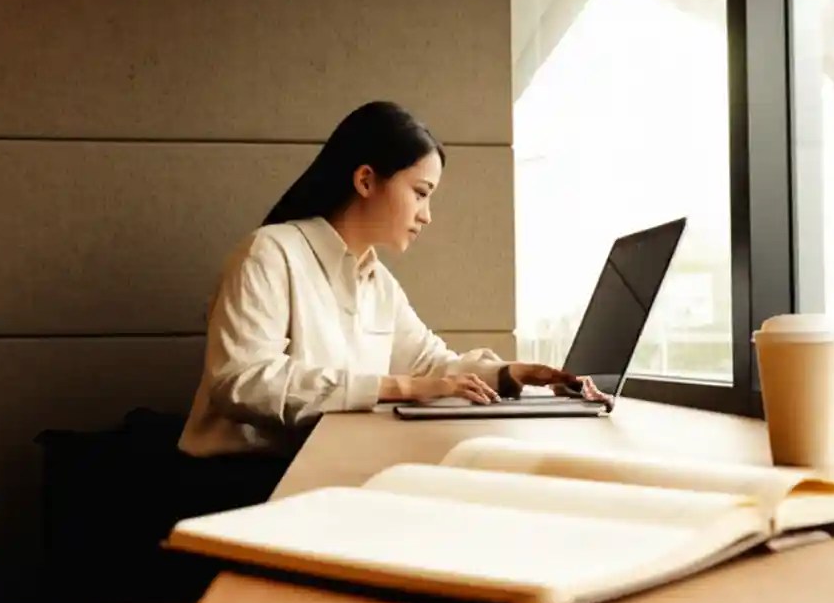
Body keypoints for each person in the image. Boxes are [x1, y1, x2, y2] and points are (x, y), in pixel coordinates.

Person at [179, 101, 609, 458]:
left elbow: (430, 365)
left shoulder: (377, 283)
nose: (427, 214)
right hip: (239, 478)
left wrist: (514, 373)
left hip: (316, 465)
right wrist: (397, 387)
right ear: (366, 180)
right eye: (420, 193)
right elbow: (241, 381)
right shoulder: (270, 253)